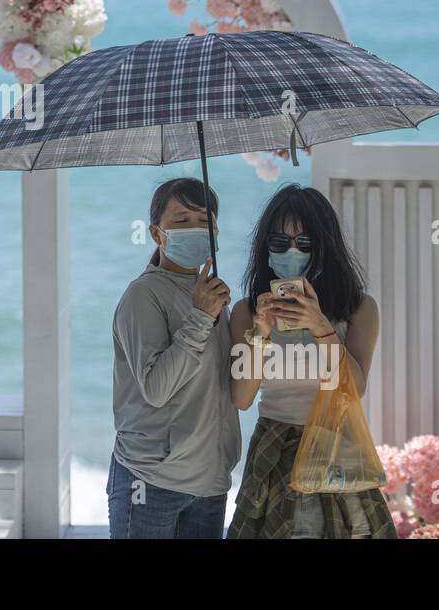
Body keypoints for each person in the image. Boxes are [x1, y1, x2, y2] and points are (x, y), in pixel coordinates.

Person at [227, 184, 395, 538]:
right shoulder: (247, 310)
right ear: (265, 249)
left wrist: (320, 326)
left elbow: (355, 388)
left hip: (335, 446)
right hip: (273, 449)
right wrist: (261, 332)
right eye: (280, 242)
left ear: (324, 249)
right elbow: (241, 399)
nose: (292, 252)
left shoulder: (359, 308)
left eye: (305, 244)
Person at [107, 177, 241, 538]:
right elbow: (156, 388)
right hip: (151, 481)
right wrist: (200, 317)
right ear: (156, 233)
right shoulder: (143, 296)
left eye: (205, 220)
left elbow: (224, 386)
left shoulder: (212, 294)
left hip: (210, 482)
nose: (195, 228)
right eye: (182, 221)